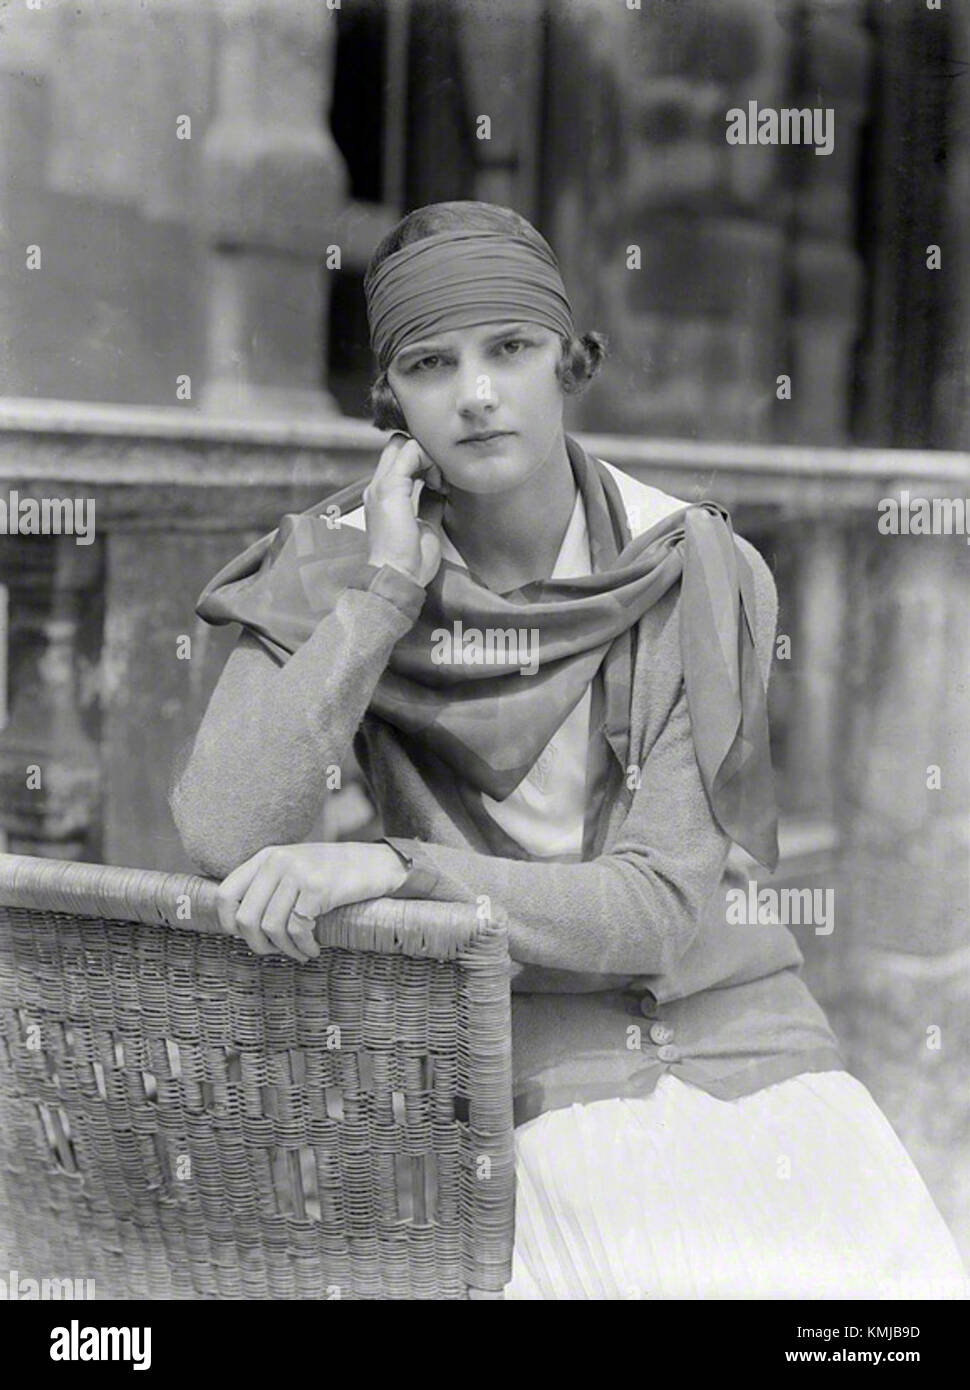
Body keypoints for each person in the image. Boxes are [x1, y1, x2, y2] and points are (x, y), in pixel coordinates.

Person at [170, 200, 969, 1300]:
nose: (479, 392)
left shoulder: (694, 565)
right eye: (430, 362)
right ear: (390, 400)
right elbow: (221, 829)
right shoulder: (339, 564)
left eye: (511, 348)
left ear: (568, 361)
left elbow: (655, 909)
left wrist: (397, 868)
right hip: (529, 1054)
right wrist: (385, 597)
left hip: (748, 1037)